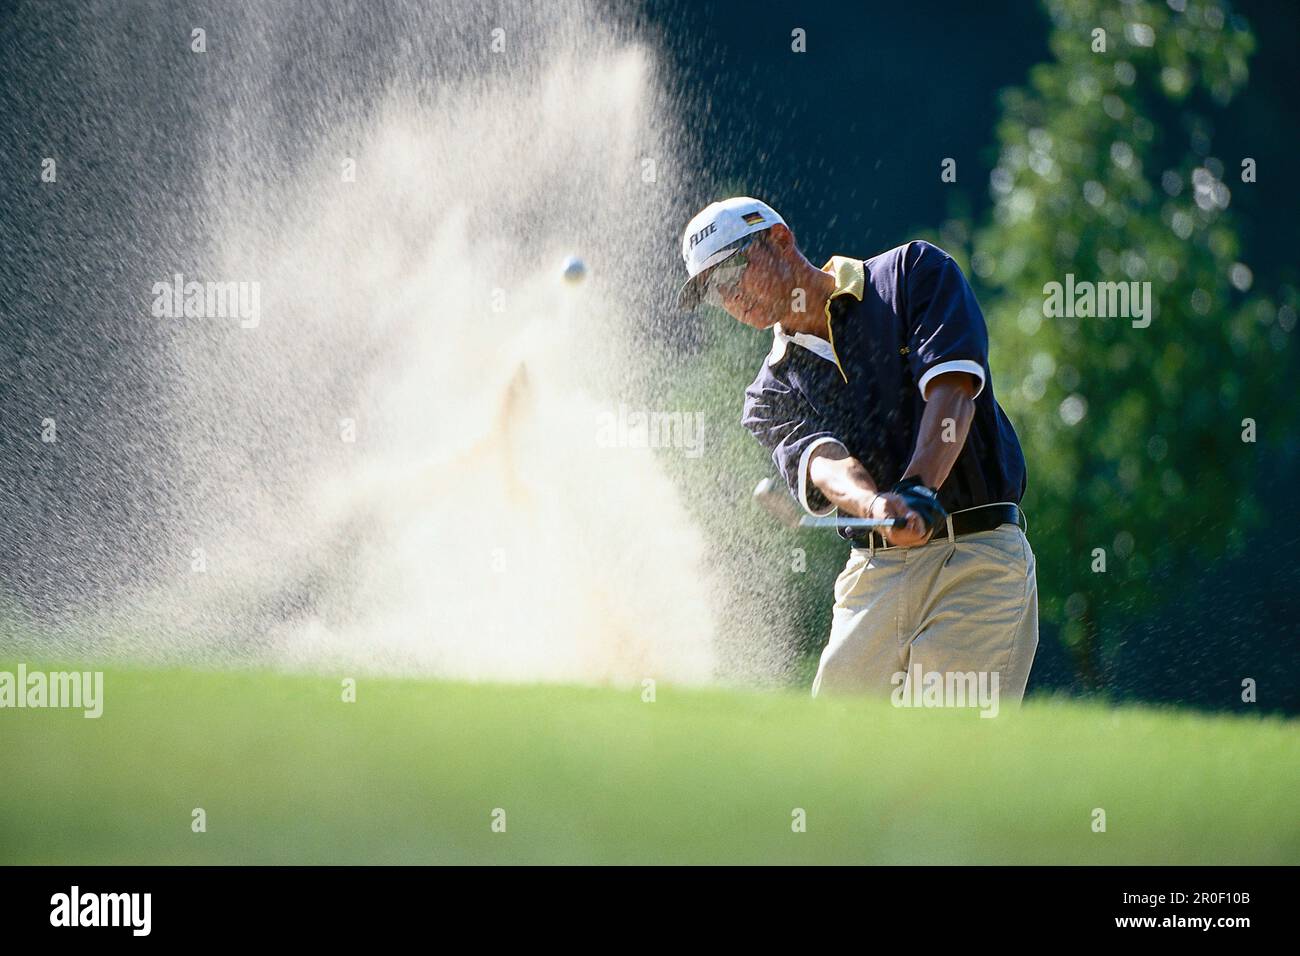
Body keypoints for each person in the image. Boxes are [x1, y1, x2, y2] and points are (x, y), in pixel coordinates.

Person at [678, 197, 1038, 703]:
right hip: (875, 572)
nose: (731, 296)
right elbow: (824, 462)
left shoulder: (911, 274)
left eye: (733, 270)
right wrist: (875, 506)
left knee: (948, 749)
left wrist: (917, 488)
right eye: (713, 290)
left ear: (780, 240)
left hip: (976, 555)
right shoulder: (768, 394)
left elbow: (954, 389)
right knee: (832, 757)